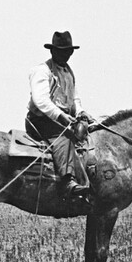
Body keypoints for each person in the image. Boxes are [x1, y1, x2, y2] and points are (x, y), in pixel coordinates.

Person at [25, 31, 94, 202]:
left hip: (61, 119)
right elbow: (40, 100)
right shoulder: (42, 71)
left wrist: (80, 112)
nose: (65, 55)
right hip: (41, 120)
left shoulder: (68, 72)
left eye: (68, 51)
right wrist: (61, 116)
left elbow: (74, 98)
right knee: (65, 139)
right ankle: (67, 182)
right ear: (52, 51)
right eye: (61, 51)